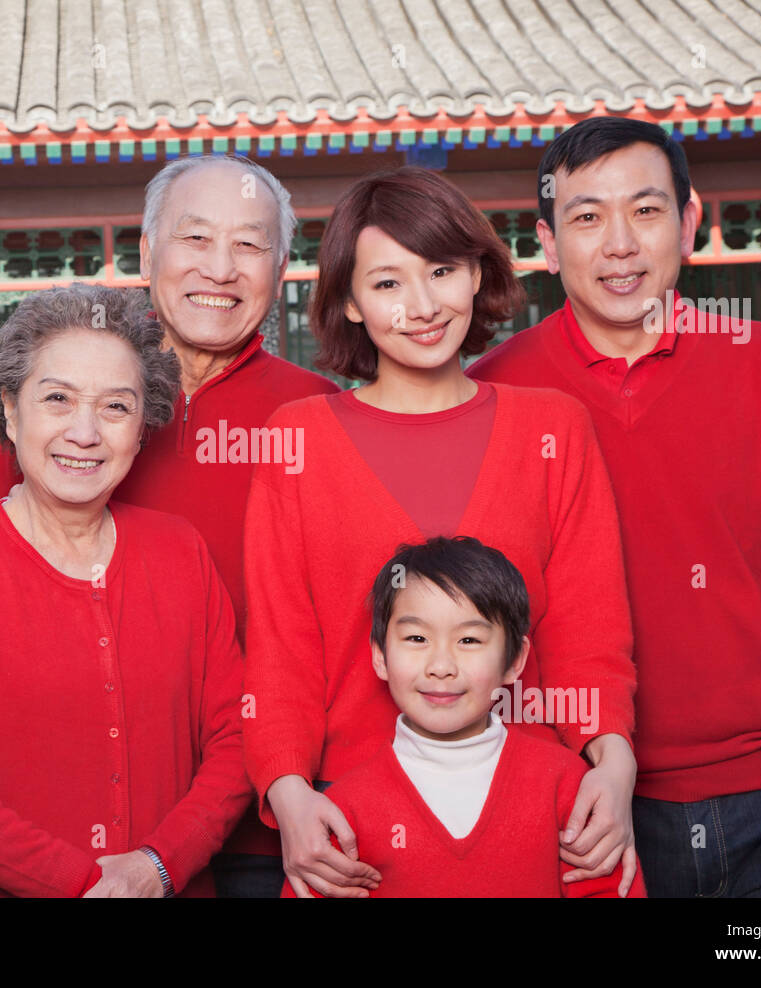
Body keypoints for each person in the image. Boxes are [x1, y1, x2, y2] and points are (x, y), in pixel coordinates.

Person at [468, 116, 761, 897]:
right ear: (549, 243)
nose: (620, 244)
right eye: (587, 217)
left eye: (647, 210)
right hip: (583, 801)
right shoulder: (496, 389)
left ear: (690, 223)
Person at [243, 167, 640, 900]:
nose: (422, 306)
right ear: (351, 303)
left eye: (442, 270)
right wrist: (289, 796)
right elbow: (280, 647)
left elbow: (589, 625)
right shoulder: (295, 440)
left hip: (534, 807)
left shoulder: (552, 427)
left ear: (476, 276)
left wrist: (613, 768)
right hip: (349, 819)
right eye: (387, 283)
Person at [0, 154, 338, 897]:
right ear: (146, 253)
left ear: (282, 266)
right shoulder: (72, 412)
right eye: (195, 239)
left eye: (249, 245)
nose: (221, 269)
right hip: (91, 827)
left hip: (280, 822)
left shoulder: (322, 417)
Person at [0, 284, 250, 897]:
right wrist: (84, 884)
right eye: (57, 399)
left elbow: (236, 737)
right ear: (11, 408)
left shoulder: (179, 552)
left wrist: (158, 866)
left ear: (143, 426)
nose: (84, 433)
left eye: (115, 407)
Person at [286, 536, 646, 897]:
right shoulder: (343, 810)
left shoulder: (567, 785)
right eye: (415, 638)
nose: (441, 666)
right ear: (380, 655)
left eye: (469, 641)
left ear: (515, 660)